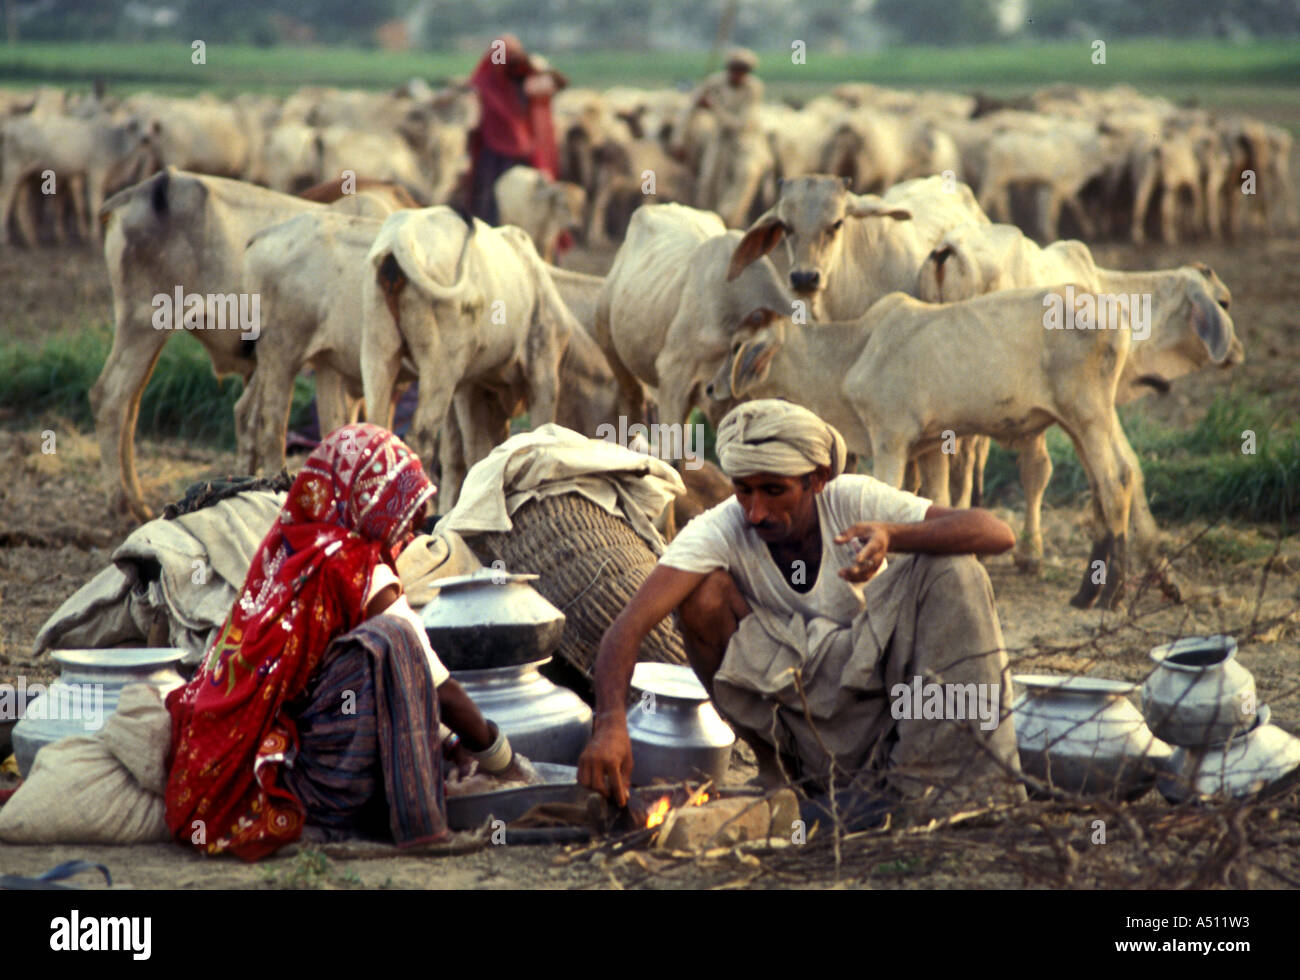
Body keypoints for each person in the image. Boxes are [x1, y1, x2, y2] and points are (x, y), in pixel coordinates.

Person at [577, 399, 1027, 823]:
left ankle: (947, 787)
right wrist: (610, 724)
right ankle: (779, 772)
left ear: (818, 478)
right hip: (808, 712)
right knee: (702, 596)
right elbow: (627, 629)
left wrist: (894, 535)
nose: (755, 512)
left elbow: (996, 533)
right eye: (743, 490)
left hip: (893, 699)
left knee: (954, 569)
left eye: (775, 491)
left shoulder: (853, 499)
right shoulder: (719, 529)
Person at [164, 423, 529, 861]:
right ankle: (409, 821)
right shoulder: (353, 568)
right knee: (390, 639)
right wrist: (502, 760)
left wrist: (452, 746)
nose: (409, 533)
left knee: (382, 651)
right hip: (314, 783)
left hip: (244, 763)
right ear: (369, 505)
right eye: (403, 515)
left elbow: (401, 687)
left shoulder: (290, 549)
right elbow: (438, 687)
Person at [467, 34, 565, 225]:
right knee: (488, 198)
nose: (507, 57)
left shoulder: (520, 78)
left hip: (520, 151)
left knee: (526, 195)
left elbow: (558, 83)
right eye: (504, 53)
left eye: (513, 53)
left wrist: (534, 66)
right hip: (493, 152)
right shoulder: (484, 84)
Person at [675, 47, 767, 228]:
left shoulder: (753, 89)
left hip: (746, 140)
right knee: (709, 179)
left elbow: (739, 123)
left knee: (746, 174)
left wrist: (713, 106)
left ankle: (731, 218)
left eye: (742, 71)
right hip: (719, 139)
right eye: (734, 69)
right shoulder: (714, 83)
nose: (737, 75)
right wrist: (678, 140)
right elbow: (689, 109)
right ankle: (705, 219)